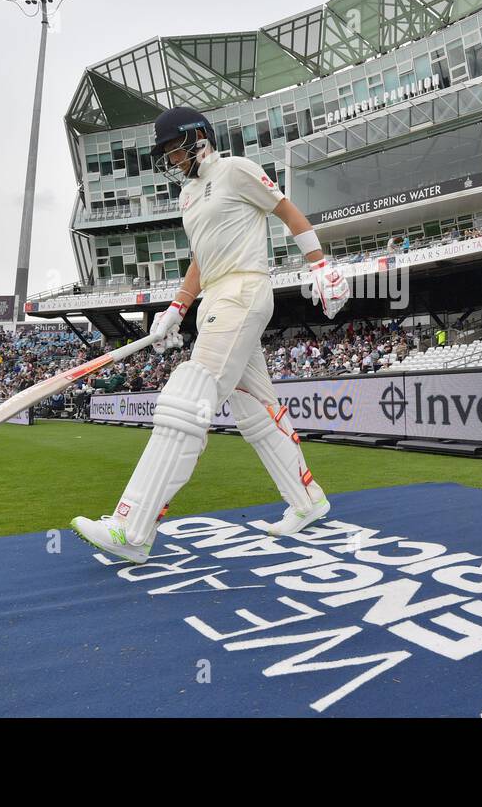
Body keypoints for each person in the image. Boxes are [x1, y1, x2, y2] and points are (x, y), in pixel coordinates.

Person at [70, 106, 351, 565]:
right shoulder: (188, 197)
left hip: (244, 289)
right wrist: (176, 308)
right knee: (254, 410)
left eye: (173, 147)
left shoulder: (238, 171)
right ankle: (308, 501)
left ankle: (132, 528)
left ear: (198, 136)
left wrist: (320, 265)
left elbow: (287, 211)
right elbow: (202, 258)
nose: (171, 158)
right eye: (165, 152)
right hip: (216, 299)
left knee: (188, 397)